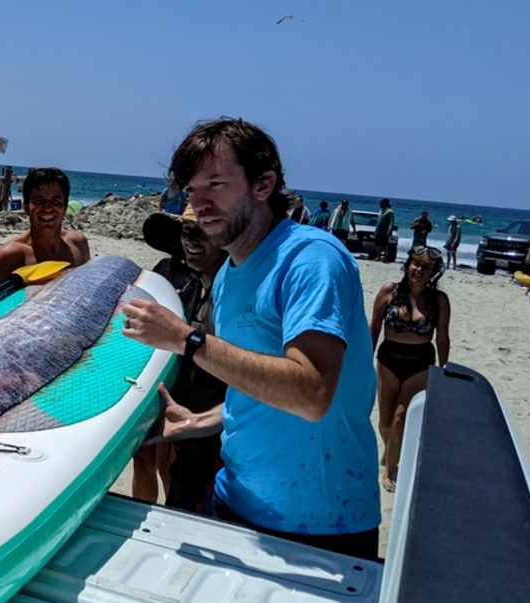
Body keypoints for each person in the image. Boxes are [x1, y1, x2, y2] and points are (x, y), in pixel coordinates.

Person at [122, 118, 380, 560]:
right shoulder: (227, 276)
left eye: (215, 184)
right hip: (234, 500)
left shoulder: (311, 260)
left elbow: (312, 393)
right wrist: (201, 421)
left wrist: (189, 340)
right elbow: (256, 389)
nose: (200, 203)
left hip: (323, 523)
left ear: (263, 185)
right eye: (192, 190)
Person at [133, 205, 228, 510]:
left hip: (210, 429)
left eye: (204, 231)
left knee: (178, 481)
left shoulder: (228, 292)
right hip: (172, 399)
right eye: (188, 230)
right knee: (152, 464)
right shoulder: (174, 275)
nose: (193, 240)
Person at [369, 246, 451, 492]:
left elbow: (443, 337)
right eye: (416, 264)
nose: (420, 270)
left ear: (434, 272)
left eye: (427, 267)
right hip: (389, 360)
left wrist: (444, 369)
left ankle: (389, 471)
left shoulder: (439, 300)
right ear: (407, 265)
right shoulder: (389, 291)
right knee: (385, 421)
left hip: (420, 362)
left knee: (400, 418)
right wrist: (366, 358)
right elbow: (374, 328)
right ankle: (390, 451)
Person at [0, 167, 91, 291]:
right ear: (26, 207)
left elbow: (86, 290)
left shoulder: (78, 244)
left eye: (55, 201)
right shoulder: (8, 256)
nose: (47, 208)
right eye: (39, 201)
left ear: (65, 207)